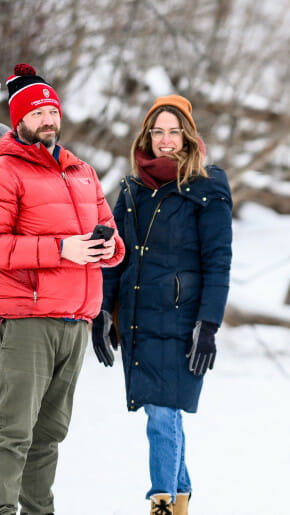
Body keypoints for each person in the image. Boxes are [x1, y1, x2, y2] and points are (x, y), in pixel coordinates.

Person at [91, 95, 232, 514]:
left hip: (180, 321)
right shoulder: (132, 189)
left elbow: (218, 261)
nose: (165, 140)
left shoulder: (207, 187)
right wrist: (102, 311)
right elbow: (115, 255)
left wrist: (208, 324)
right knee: (163, 412)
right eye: (158, 132)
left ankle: (162, 502)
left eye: (174, 131)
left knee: (161, 413)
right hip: (136, 321)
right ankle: (180, 497)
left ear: (188, 136)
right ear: (147, 136)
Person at [0, 63, 125, 515]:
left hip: (75, 321)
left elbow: (116, 247)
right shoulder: (7, 170)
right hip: (27, 322)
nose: (48, 120)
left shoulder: (82, 172)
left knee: (49, 434)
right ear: (19, 120)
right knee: (13, 432)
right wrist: (61, 249)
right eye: (37, 114)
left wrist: (104, 246)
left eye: (52, 112)